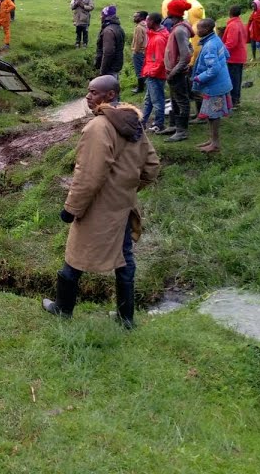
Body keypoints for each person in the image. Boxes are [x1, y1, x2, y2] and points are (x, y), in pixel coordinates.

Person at [43, 75, 160, 328]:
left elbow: (88, 176)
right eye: (88, 91)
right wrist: (127, 189)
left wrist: (70, 209)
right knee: (126, 259)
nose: (88, 96)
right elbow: (152, 166)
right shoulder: (134, 124)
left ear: (110, 95)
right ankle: (126, 317)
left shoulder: (98, 128)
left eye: (94, 92)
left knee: (75, 256)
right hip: (124, 207)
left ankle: (62, 308)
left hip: (99, 207)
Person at [191, 19, 231, 153]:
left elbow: (213, 69)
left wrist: (198, 78)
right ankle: (212, 139)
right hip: (218, 84)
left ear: (207, 29)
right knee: (211, 114)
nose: (197, 31)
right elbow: (226, 54)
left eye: (200, 28)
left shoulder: (209, 46)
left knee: (214, 114)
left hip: (215, 87)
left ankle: (215, 143)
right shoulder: (215, 40)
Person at [161, 0, 194, 142]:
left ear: (172, 12)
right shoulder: (180, 27)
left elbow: (186, 55)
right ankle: (174, 126)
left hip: (177, 73)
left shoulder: (180, 30)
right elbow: (190, 49)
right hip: (174, 71)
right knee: (175, 100)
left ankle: (182, 131)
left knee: (182, 101)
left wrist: (174, 71)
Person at [140, 13, 168, 133]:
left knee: (157, 100)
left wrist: (151, 72)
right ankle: (142, 121)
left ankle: (158, 124)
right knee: (149, 100)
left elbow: (160, 60)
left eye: (147, 21)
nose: (146, 23)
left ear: (153, 22)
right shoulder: (156, 35)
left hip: (155, 74)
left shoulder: (158, 39)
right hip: (153, 73)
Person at [222, 5, 248, 107]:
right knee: (237, 78)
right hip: (240, 55)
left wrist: (221, 51)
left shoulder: (232, 25)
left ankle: (234, 101)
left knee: (233, 79)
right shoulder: (240, 23)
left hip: (233, 57)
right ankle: (235, 99)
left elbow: (231, 43)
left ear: (230, 12)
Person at [95, 5, 125, 81]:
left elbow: (108, 52)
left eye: (102, 14)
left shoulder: (108, 31)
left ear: (106, 16)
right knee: (114, 87)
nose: (100, 17)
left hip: (109, 67)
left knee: (108, 90)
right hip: (116, 64)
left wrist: (102, 70)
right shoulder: (118, 28)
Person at [130, 11, 149, 95]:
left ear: (141, 17)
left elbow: (138, 40)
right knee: (144, 69)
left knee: (139, 70)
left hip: (139, 51)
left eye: (136, 17)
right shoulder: (147, 25)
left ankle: (140, 88)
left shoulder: (138, 27)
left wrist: (136, 50)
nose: (134, 18)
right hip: (145, 51)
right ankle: (145, 86)